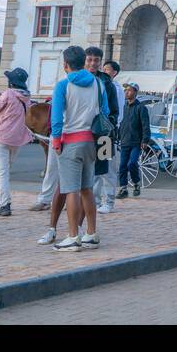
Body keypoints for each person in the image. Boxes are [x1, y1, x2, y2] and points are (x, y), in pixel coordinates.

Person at [47, 45, 104, 252]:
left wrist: (55, 141)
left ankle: (72, 236)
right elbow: (104, 111)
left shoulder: (63, 85)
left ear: (65, 65)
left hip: (70, 140)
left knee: (71, 189)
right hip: (91, 140)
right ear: (84, 62)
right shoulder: (98, 83)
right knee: (87, 189)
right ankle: (91, 233)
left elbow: (56, 118)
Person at [0, 67, 34, 217]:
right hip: (17, 138)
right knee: (5, 172)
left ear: (12, 83)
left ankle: (5, 204)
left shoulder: (8, 94)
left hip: (1, 136)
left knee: (1, 173)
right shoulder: (27, 98)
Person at [86, 48, 120, 214]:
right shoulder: (79, 79)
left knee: (106, 169)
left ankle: (109, 201)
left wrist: (108, 124)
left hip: (104, 133)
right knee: (91, 169)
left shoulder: (107, 83)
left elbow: (115, 110)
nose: (93, 63)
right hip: (85, 132)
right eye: (90, 59)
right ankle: (95, 200)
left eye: (96, 60)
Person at [116, 82, 149, 199]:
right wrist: (117, 137)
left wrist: (145, 140)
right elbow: (120, 123)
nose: (126, 92)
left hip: (136, 142)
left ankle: (136, 184)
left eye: (129, 90)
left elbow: (145, 125)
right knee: (122, 166)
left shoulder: (141, 108)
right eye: (125, 90)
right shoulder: (123, 107)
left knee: (132, 163)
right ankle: (123, 188)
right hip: (124, 141)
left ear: (135, 92)